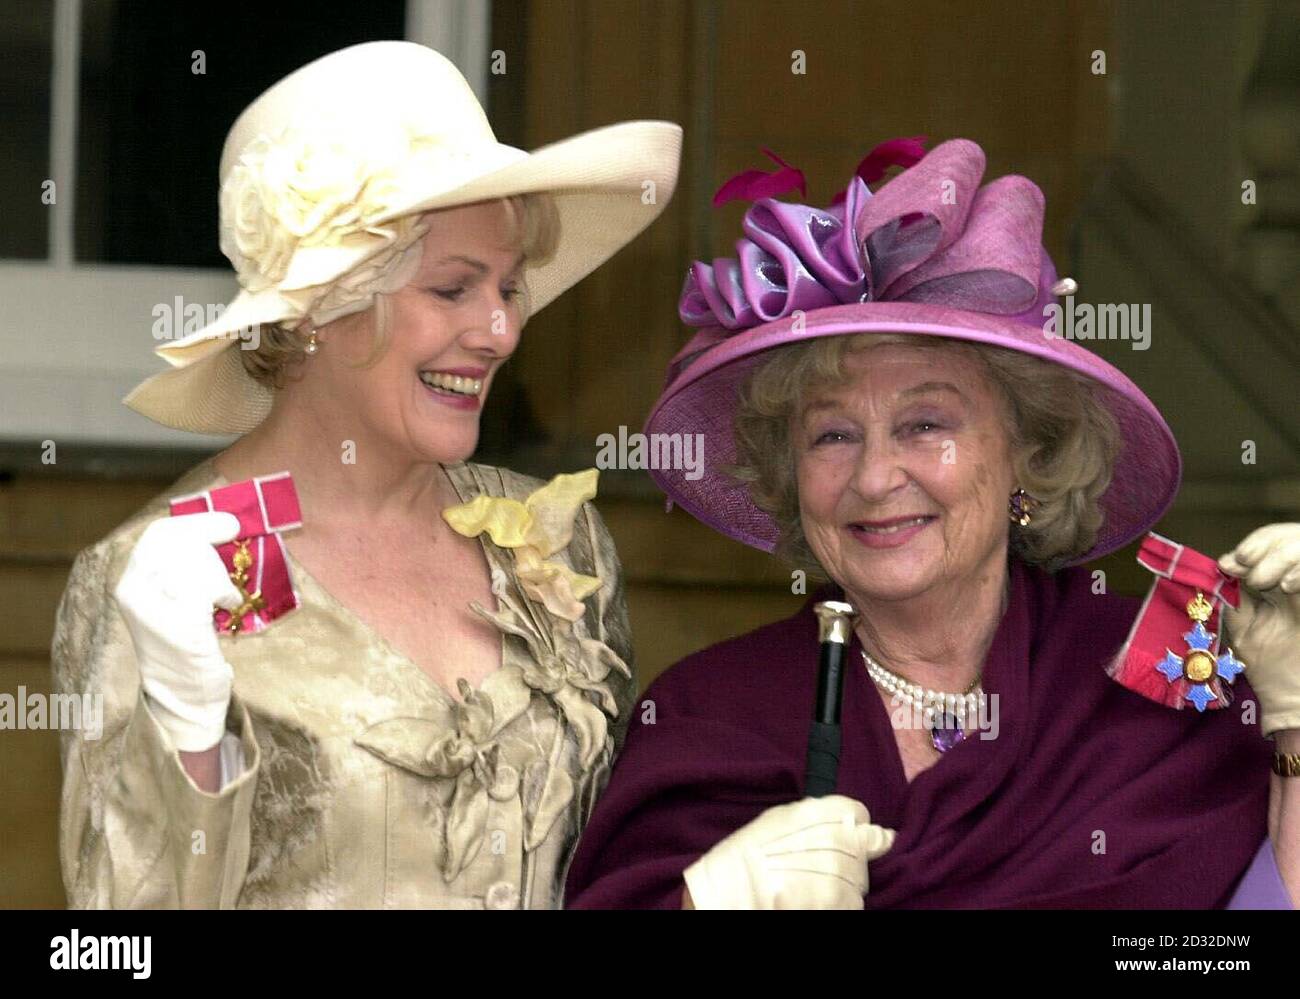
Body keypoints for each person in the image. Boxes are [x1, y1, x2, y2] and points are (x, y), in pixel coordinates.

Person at [564, 138, 1300, 909]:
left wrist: (1293, 730)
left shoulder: (1156, 686)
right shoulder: (711, 714)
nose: (876, 478)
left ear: (1028, 451)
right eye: (832, 434)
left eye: (925, 424)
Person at [51, 40, 681, 909]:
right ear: (320, 309)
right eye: (454, 290)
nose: (499, 331)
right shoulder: (167, 578)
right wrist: (191, 745)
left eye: (509, 287)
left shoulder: (558, 543)